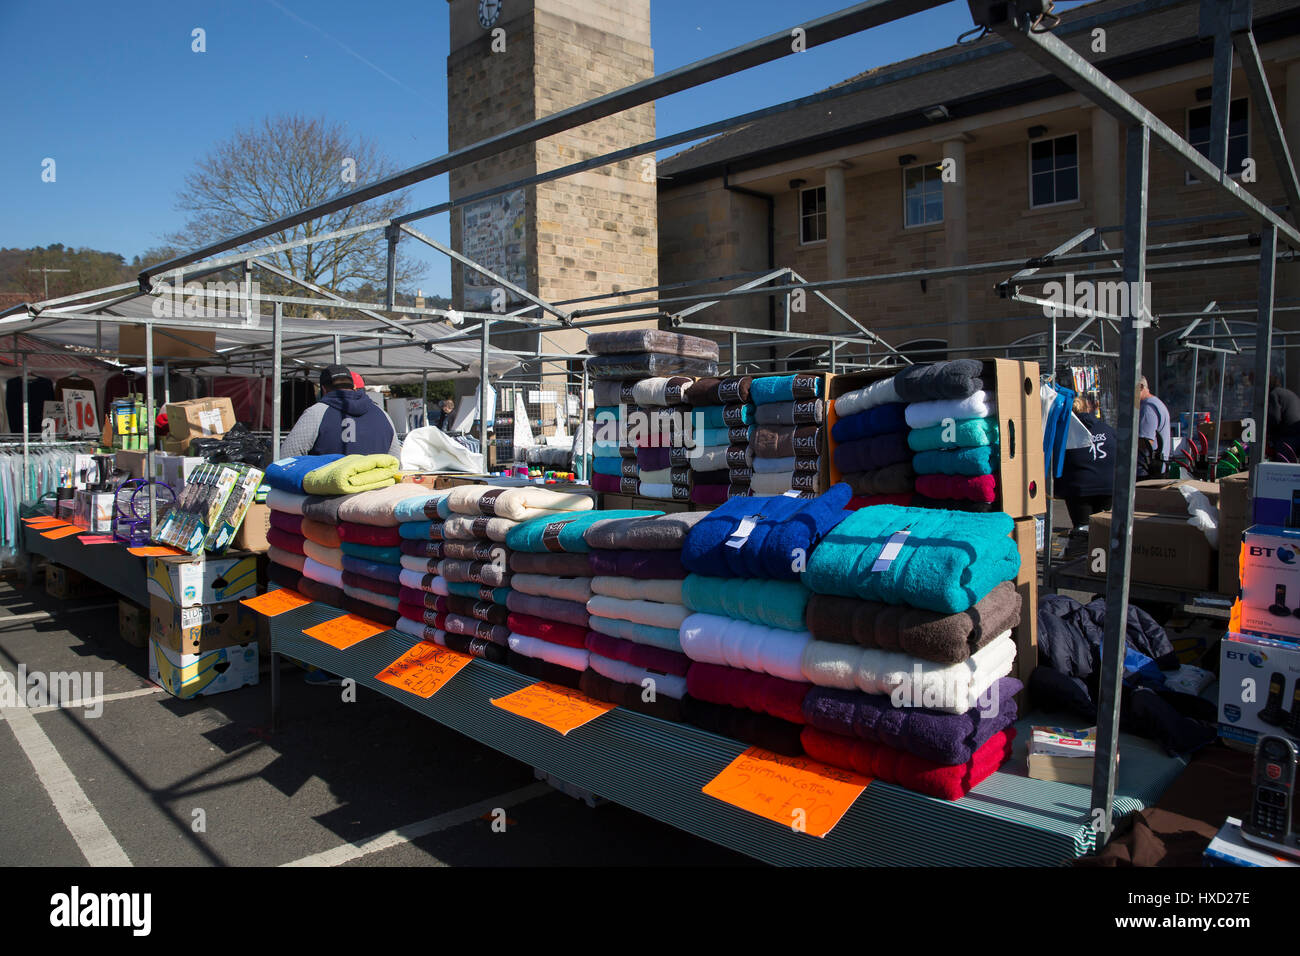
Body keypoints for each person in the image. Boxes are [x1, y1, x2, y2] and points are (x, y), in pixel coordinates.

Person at [279, 365, 401, 458]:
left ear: (323, 389)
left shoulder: (316, 413)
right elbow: (395, 461)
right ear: (352, 387)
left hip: (329, 490)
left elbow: (287, 458)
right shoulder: (382, 414)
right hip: (376, 489)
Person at [1055, 396, 1117, 530]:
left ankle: (1085, 549)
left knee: (1083, 529)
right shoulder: (1107, 429)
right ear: (1087, 408)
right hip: (1107, 486)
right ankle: (1100, 550)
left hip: (1079, 488)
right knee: (1102, 529)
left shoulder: (1066, 433)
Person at [1137, 374, 1171, 479]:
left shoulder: (1148, 408)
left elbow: (1146, 441)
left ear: (1141, 387)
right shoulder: (1154, 404)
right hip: (1154, 468)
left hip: (1148, 471)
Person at [1267, 386, 1300, 460]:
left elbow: (1274, 418)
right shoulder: (1290, 393)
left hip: (1287, 437)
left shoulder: (1274, 394)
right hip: (1297, 433)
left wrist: (1266, 431)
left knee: (1283, 465)